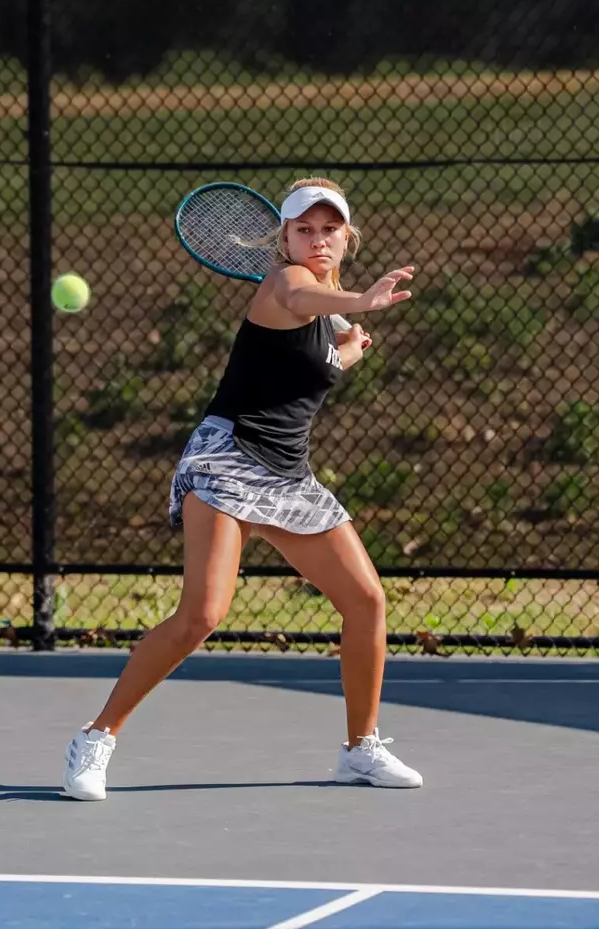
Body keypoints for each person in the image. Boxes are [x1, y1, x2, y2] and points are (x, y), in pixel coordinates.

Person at [61, 177, 424, 801]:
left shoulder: (326, 312)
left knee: (365, 601)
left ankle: (360, 749)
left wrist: (348, 349)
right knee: (203, 614)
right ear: (282, 239)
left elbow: (312, 364)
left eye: (328, 229)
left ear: (347, 236)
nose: (317, 239)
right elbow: (303, 298)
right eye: (303, 230)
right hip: (227, 458)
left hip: (286, 471)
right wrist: (364, 303)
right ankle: (95, 739)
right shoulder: (283, 285)